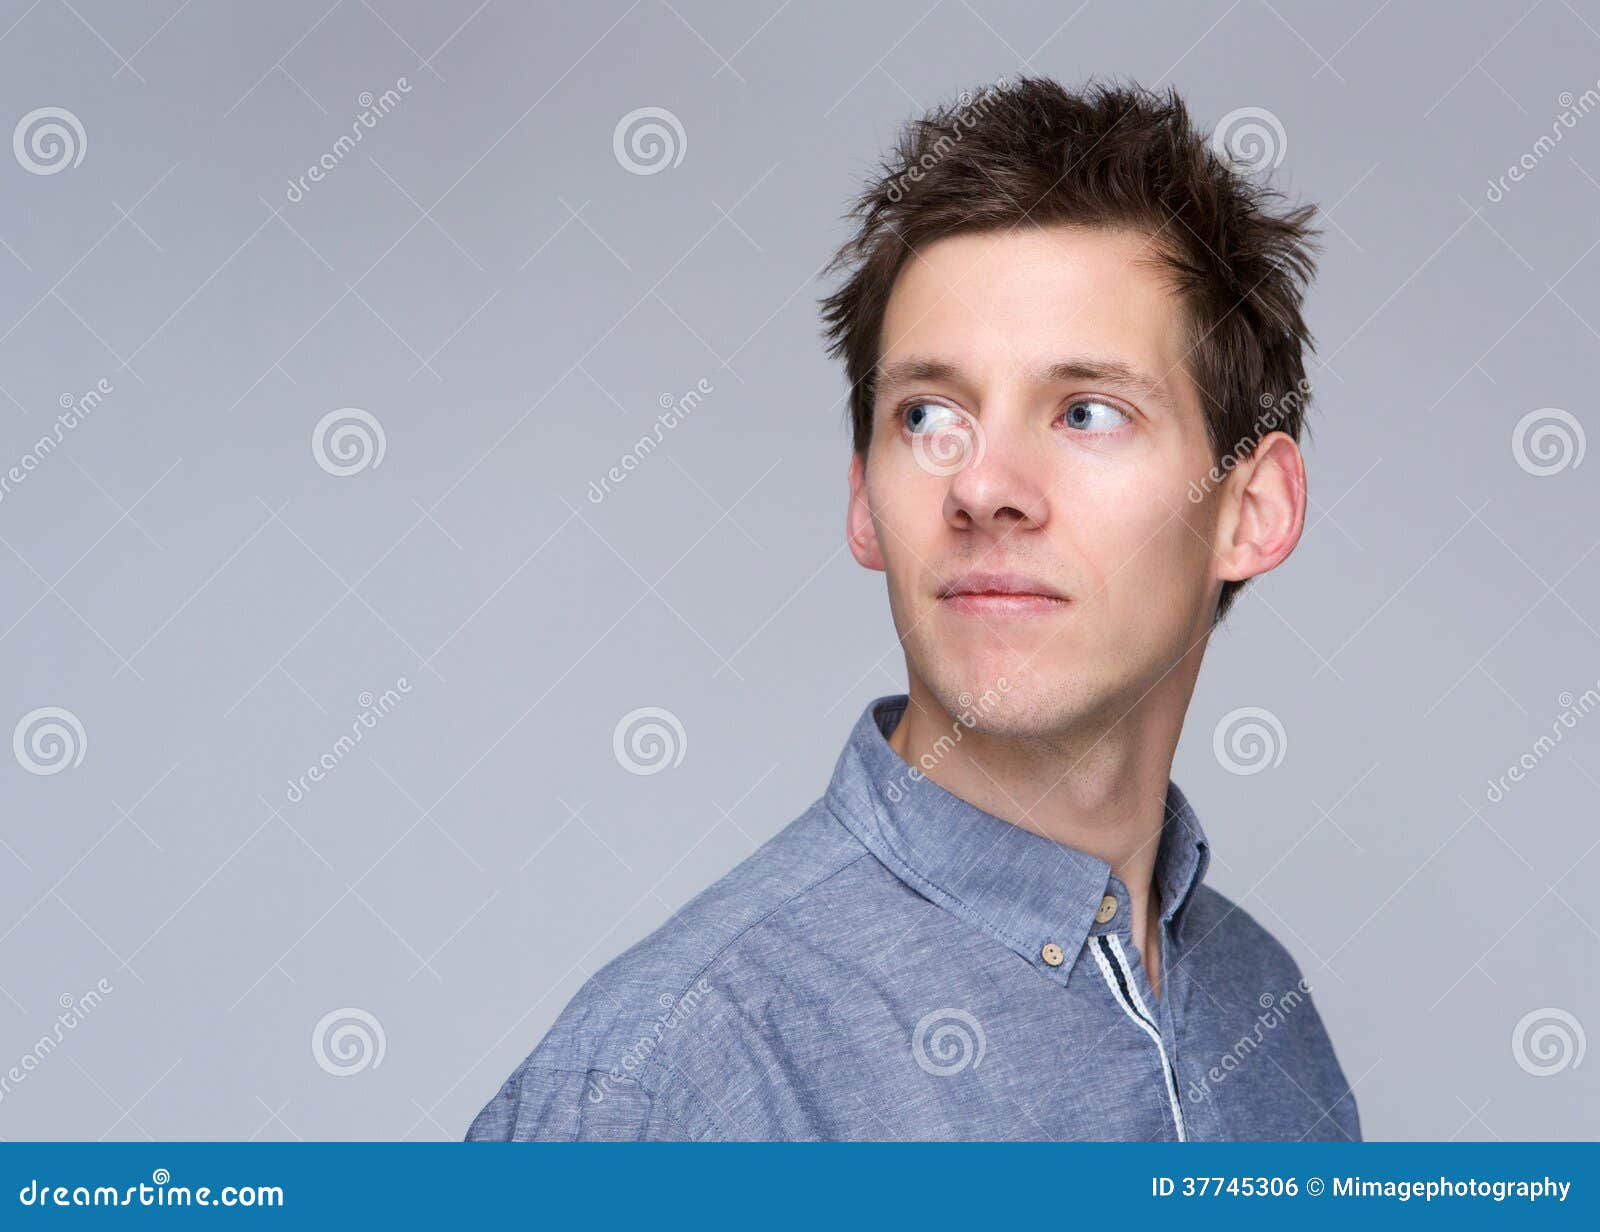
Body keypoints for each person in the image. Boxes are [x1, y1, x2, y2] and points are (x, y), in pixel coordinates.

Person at [466, 76, 1359, 1142]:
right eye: (928, 414)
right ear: (863, 501)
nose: (982, 486)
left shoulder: (1264, 1010)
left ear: (1251, 508)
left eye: (1086, 411)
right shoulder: (663, 1082)